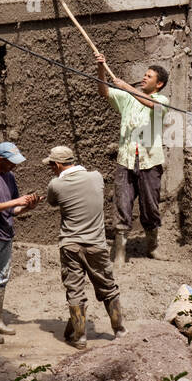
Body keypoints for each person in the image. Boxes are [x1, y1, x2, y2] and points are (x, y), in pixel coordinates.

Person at [44, 145, 126, 349]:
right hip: (97, 245)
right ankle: (119, 330)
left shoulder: (56, 185)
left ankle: (79, 337)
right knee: (108, 287)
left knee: (75, 289)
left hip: (70, 246)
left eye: (51, 166)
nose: (51, 170)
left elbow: (53, 202)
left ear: (57, 165)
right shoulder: (96, 177)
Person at [94, 51, 169, 263]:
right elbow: (104, 91)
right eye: (144, 75)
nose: (144, 78)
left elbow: (153, 105)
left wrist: (127, 87)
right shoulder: (127, 99)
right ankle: (119, 252)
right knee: (122, 203)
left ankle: (152, 246)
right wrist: (101, 67)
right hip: (126, 160)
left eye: (149, 76)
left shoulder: (161, 100)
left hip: (150, 163)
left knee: (150, 206)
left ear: (159, 84)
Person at [0, 143, 40, 342]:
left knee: (2, 279)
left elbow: (13, 211)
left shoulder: (9, 176)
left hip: (5, 233)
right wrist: (17, 201)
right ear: (1, 159)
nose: (15, 167)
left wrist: (28, 206)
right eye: (12, 163)